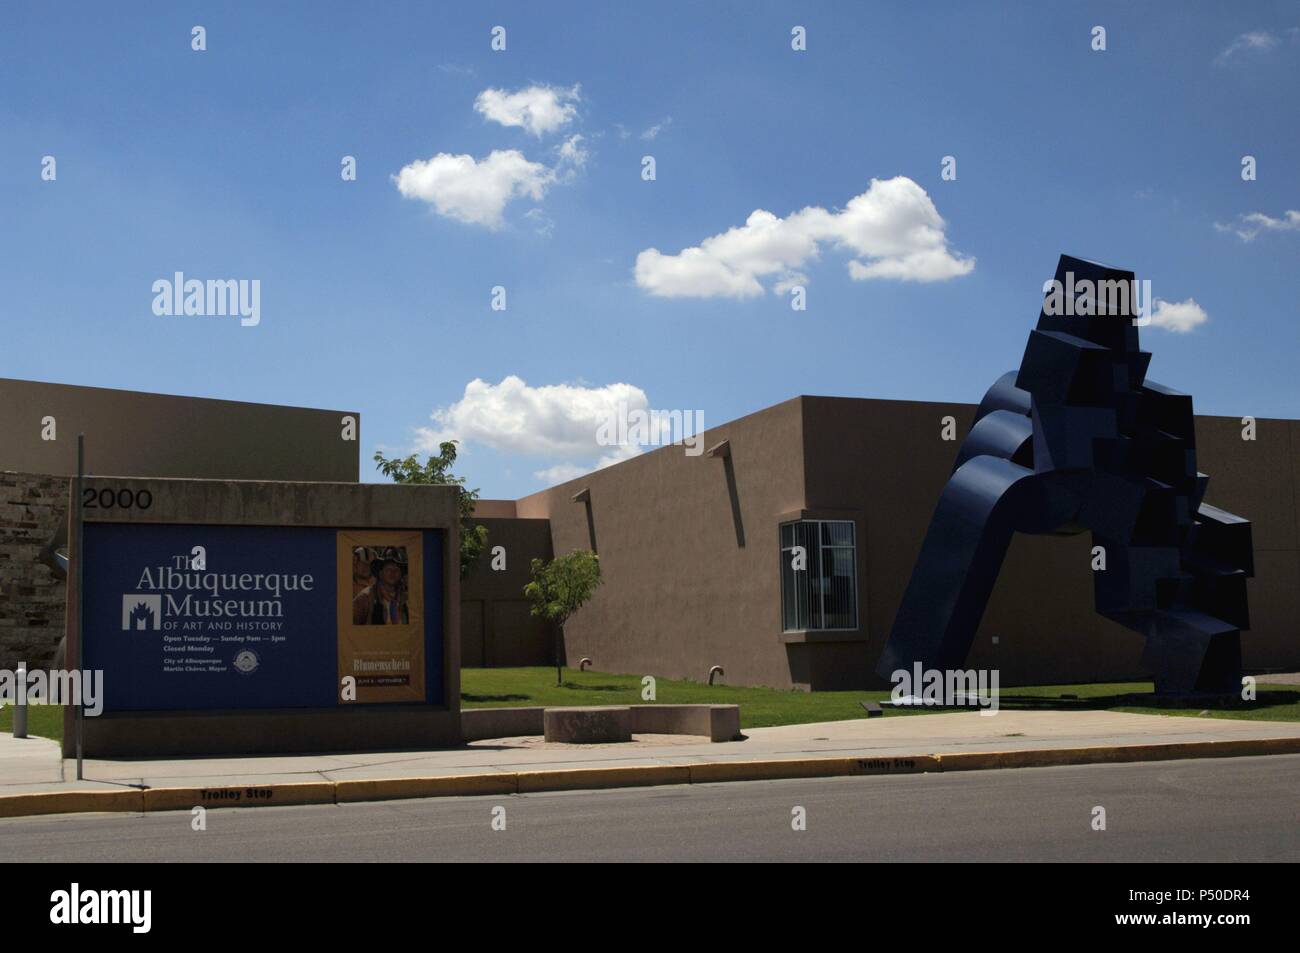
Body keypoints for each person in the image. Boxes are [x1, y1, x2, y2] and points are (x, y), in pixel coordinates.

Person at [352, 556, 409, 625]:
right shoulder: (365, 597)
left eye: (396, 570)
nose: (393, 572)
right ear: (381, 574)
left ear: (400, 574)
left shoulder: (406, 598)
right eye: (388, 569)